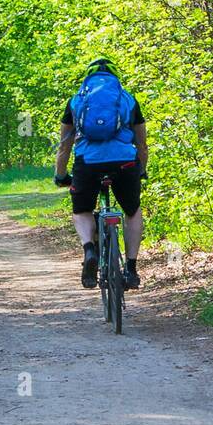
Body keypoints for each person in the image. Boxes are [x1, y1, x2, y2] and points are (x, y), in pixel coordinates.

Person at [53, 58, 147, 290]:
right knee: (132, 211)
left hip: (88, 162)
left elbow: (64, 145)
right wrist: (141, 170)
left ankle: (89, 250)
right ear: (116, 77)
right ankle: (132, 270)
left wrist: (61, 175)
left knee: (82, 210)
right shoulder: (127, 99)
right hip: (125, 163)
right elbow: (142, 144)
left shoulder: (76, 101)